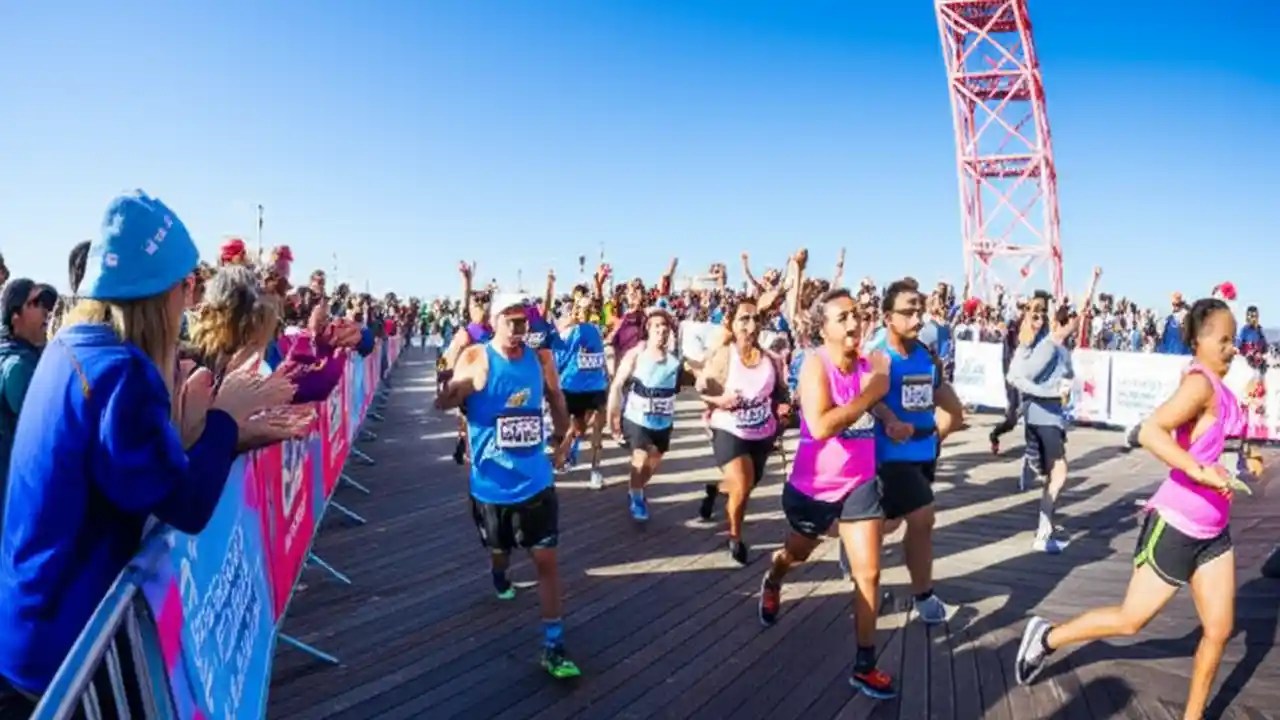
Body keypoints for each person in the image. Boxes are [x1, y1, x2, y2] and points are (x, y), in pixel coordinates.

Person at [0, 191, 305, 705]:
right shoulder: (124, 372)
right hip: (68, 655)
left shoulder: (69, 347)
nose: (191, 300)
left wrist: (230, 437)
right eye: (188, 285)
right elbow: (184, 505)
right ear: (163, 292)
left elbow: (131, 477)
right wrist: (226, 418)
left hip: (26, 629)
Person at [1016, 298, 1246, 720]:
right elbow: (1150, 431)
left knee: (1219, 629)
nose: (1233, 348)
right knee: (1129, 620)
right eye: (1224, 340)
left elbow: (1217, 447)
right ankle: (1048, 637)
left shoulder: (1222, 389)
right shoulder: (1199, 385)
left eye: (1235, 340)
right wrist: (1200, 471)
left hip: (1215, 531)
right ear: (1197, 341)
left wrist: (1241, 463)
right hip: (1177, 525)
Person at [757, 288, 897, 699]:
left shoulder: (869, 363)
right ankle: (774, 577)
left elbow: (873, 405)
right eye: (844, 318)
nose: (855, 323)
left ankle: (864, 665)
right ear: (824, 329)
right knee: (795, 554)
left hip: (860, 483)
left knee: (868, 573)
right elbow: (819, 426)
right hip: (814, 488)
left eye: (856, 314)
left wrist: (888, 418)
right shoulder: (815, 365)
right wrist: (873, 394)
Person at [435, 293, 580, 679]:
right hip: (491, 486)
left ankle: (554, 646)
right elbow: (444, 401)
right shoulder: (478, 358)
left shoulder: (538, 358)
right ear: (495, 321)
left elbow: (554, 396)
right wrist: (454, 389)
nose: (520, 330)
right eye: (512, 322)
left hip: (535, 479)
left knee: (546, 560)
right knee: (500, 552)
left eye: (524, 322)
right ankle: (499, 571)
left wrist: (565, 437)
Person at [867, 278, 964, 625]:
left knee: (894, 523)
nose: (917, 318)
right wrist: (890, 418)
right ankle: (924, 597)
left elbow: (944, 402)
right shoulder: (878, 354)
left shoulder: (925, 354)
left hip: (924, 451)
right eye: (908, 312)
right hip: (890, 454)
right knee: (923, 517)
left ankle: (859, 552)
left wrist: (939, 434)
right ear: (887, 317)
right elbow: (867, 396)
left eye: (919, 311)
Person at [697, 295, 790, 565]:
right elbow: (703, 388)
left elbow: (781, 394)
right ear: (733, 324)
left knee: (745, 485)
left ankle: (716, 490)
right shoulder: (725, 355)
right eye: (744, 319)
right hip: (728, 427)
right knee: (741, 482)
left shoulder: (771, 359)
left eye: (755, 318)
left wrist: (784, 409)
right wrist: (720, 401)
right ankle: (735, 538)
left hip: (762, 432)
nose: (750, 324)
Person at [1007, 298, 1078, 552]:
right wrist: (1045, 394)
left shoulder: (1057, 347)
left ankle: (1045, 528)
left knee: (1055, 474)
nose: (1076, 324)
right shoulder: (1048, 347)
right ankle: (1043, 533)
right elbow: (1018, 377)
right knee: (1058, 472)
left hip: (1051, 416)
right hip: (1043, 415)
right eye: (1071, 321)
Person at [607, 307, 680, 522]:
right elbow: (617, 385)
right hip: (637, 418)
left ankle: (635, 488)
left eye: (665, 326)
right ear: (648, 329)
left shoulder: (674, 360)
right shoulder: (637, 353)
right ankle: (637, 498)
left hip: (663, 421)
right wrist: (613, 417)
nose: (661, 331)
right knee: (639, 458)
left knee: (653, 461)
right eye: (657, 326)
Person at [552, 294, 610, 489]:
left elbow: (599, 356)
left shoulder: (594, 329)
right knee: (575, 430)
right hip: (573, 387)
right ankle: (565, 458)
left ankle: (594, 470)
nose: (584, 310)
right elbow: (559, 359)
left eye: (587, 307)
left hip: (593, 387)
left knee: (595, 430)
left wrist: (606, 376)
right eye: (580, 307)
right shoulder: (568, 331)